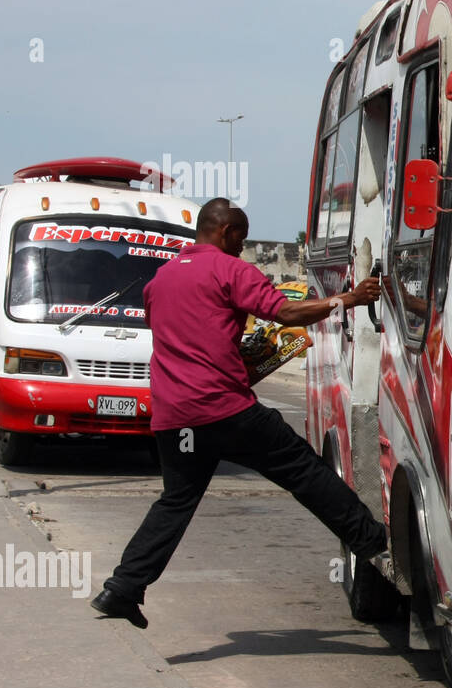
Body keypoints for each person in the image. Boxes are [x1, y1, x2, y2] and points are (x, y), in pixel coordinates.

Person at [91, 199, 401, 628]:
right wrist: (348, 299)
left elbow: (187, 334)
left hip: (174, 416)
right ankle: (372, 542)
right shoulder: (230, 270)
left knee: (175, 502)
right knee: (303, 469)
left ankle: (122, 588)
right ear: (225, 231)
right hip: (223, 408)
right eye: (241, 235)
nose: (243, 244)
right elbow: (285, 312)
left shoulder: (161, 279)